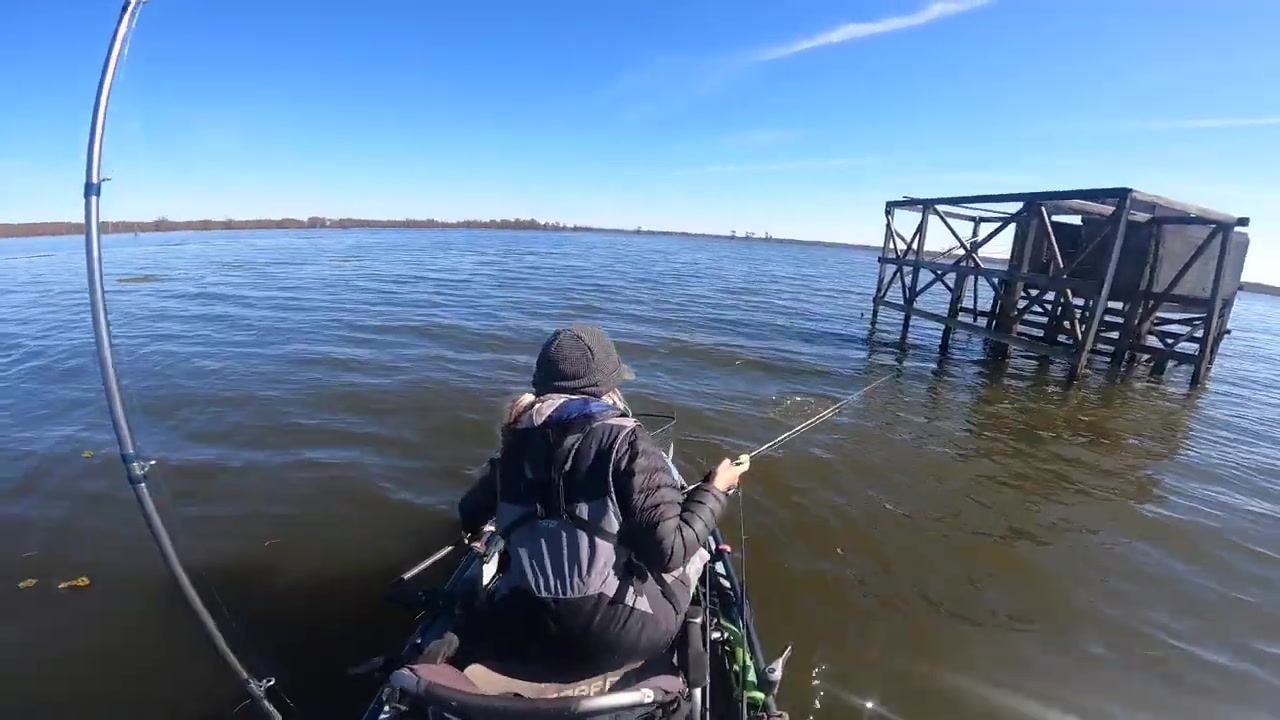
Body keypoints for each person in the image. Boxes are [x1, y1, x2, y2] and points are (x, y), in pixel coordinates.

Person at [452, 324, 748, 678]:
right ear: (607, 387)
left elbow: (470, 514)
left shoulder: (514, 441)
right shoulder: (628, 441)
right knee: (694, 558)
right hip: (616, 636)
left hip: (522, 627)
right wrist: (716, 489)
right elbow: (669, 552)